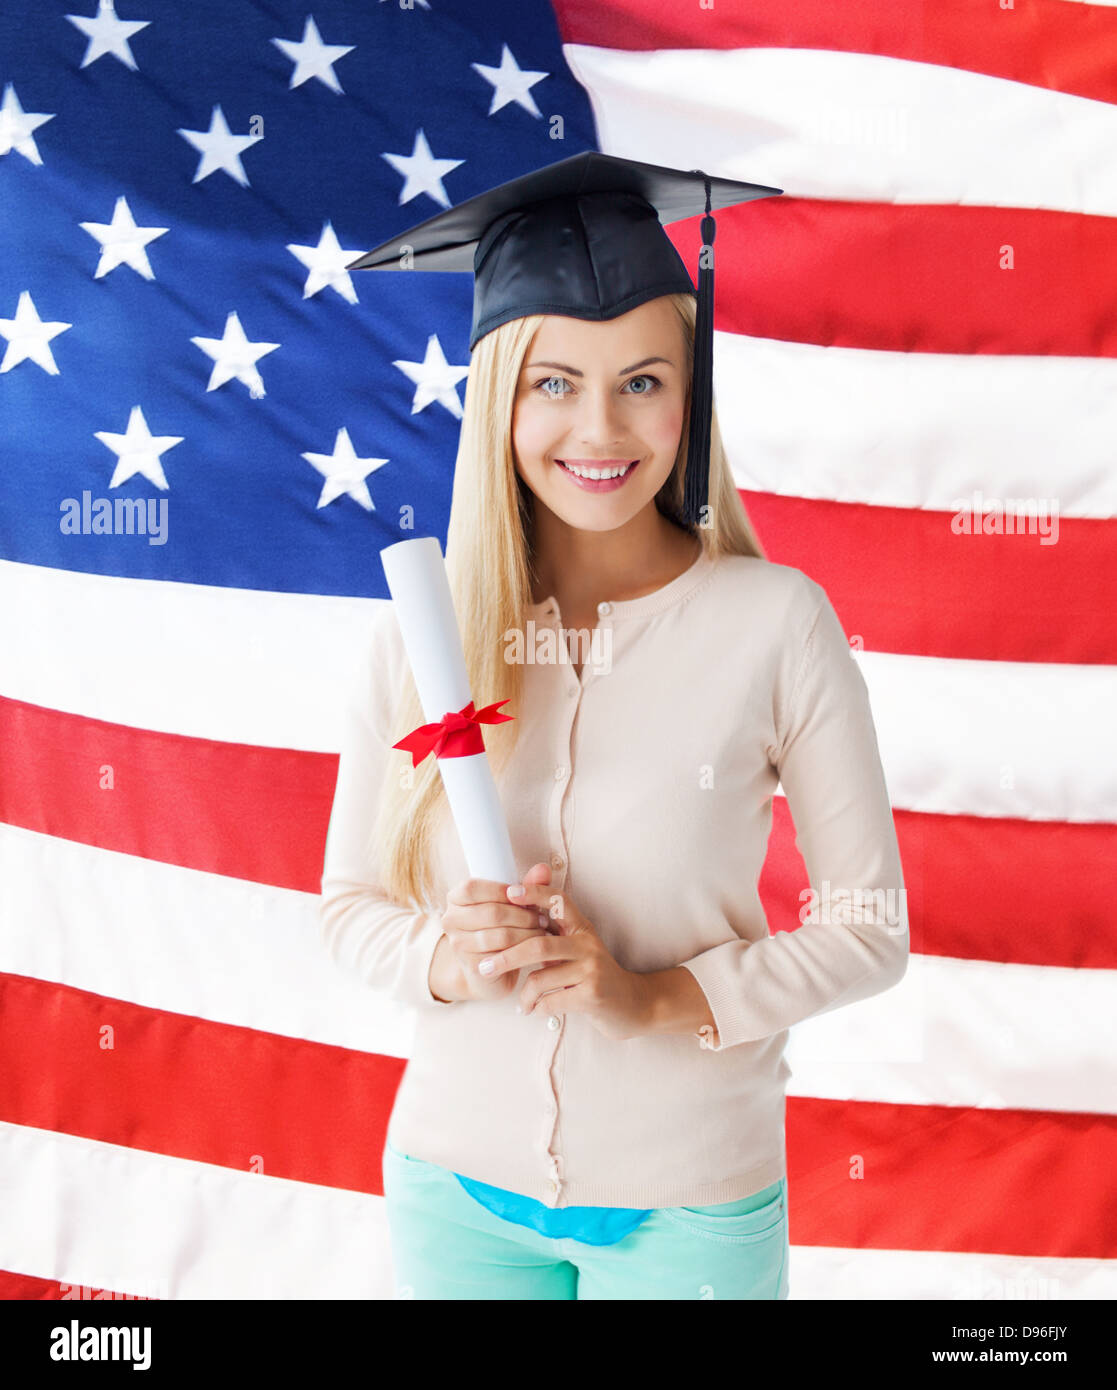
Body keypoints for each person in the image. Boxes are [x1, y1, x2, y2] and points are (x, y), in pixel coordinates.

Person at [319, 153, 910, 1299]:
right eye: (554, 384)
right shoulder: (421, 632)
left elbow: (866, 927)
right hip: (454, 1190)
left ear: (689, 396)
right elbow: (349, 913)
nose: (600, 425)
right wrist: (449, 952)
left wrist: (656, 997)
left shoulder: (775, 623)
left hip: (688, 1203)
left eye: (643, 379)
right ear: (499, 397)